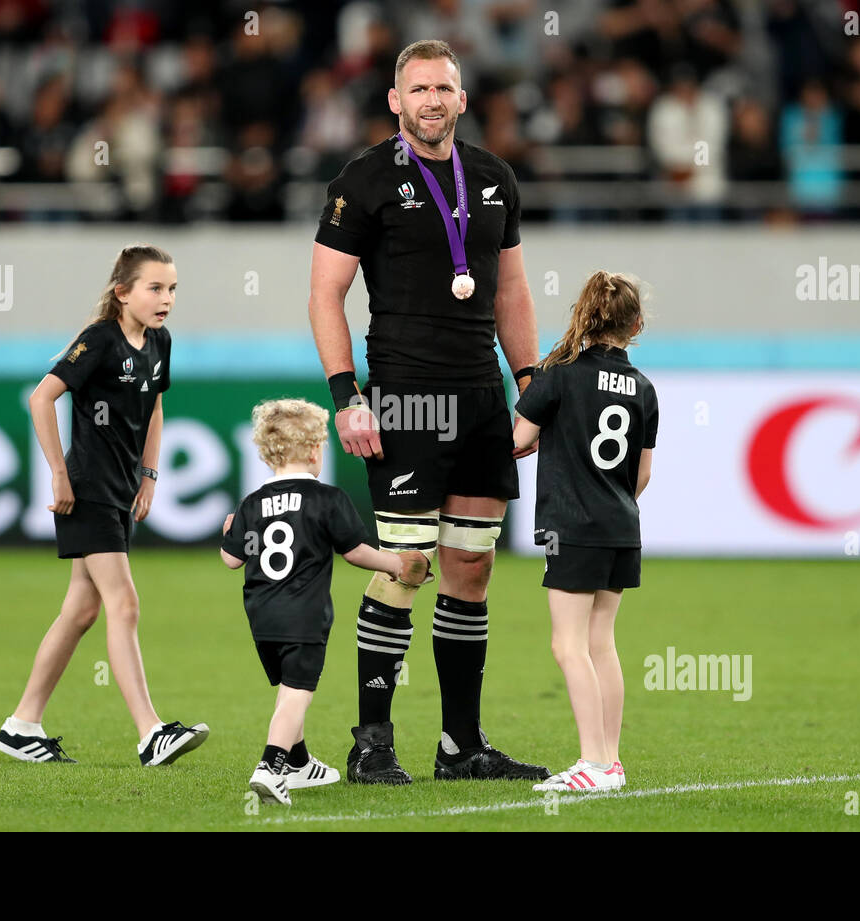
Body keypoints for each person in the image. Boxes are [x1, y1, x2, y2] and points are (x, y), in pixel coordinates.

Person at [309, 39, 547, 783]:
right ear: (394, 100)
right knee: (407, 563)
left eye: (443, 88)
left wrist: (531, 383)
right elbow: (325, 294)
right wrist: (346, 393)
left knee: (470, 567)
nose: (431, 101)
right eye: (418, 90)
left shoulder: (494, 178)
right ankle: (371, 742)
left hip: (481, 398)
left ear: (462, 99)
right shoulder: (364, 180)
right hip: (408, 399)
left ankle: (460, 745)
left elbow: (511, 291)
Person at [0, 244, 209, 766]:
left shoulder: (159, 341)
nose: (166, 299)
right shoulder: (99, 340)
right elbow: (41, 398)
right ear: (123, 292)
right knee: (124, 603)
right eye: (155, 288)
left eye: (172, 289)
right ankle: (151, 732)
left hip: (119, 488)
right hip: (89, 488)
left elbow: (155, 406)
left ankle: (21, 725)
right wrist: (60, 474)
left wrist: (150, 474)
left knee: (82, 609)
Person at [220, 399, 429, 805]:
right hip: (304, 615)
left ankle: (299, 764)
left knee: (286, 686)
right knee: (298, 692)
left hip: (260, 616)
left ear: (266, 452)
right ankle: (271, 765)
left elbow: (231, 559)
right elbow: (355, 552)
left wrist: (229, 527)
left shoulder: (251, 504)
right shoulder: (327, 499)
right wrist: (395, 564)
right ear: (316, 450)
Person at [511, 271, 657, 792]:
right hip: (621, 523)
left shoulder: (561, 372)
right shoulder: (643, 386)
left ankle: (593, 764)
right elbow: (642, 474)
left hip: (571, 523)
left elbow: (518, 438)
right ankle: (610, 762)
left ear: (582, 315)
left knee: (568, 645)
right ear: (636, 324)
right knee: (602, 643)